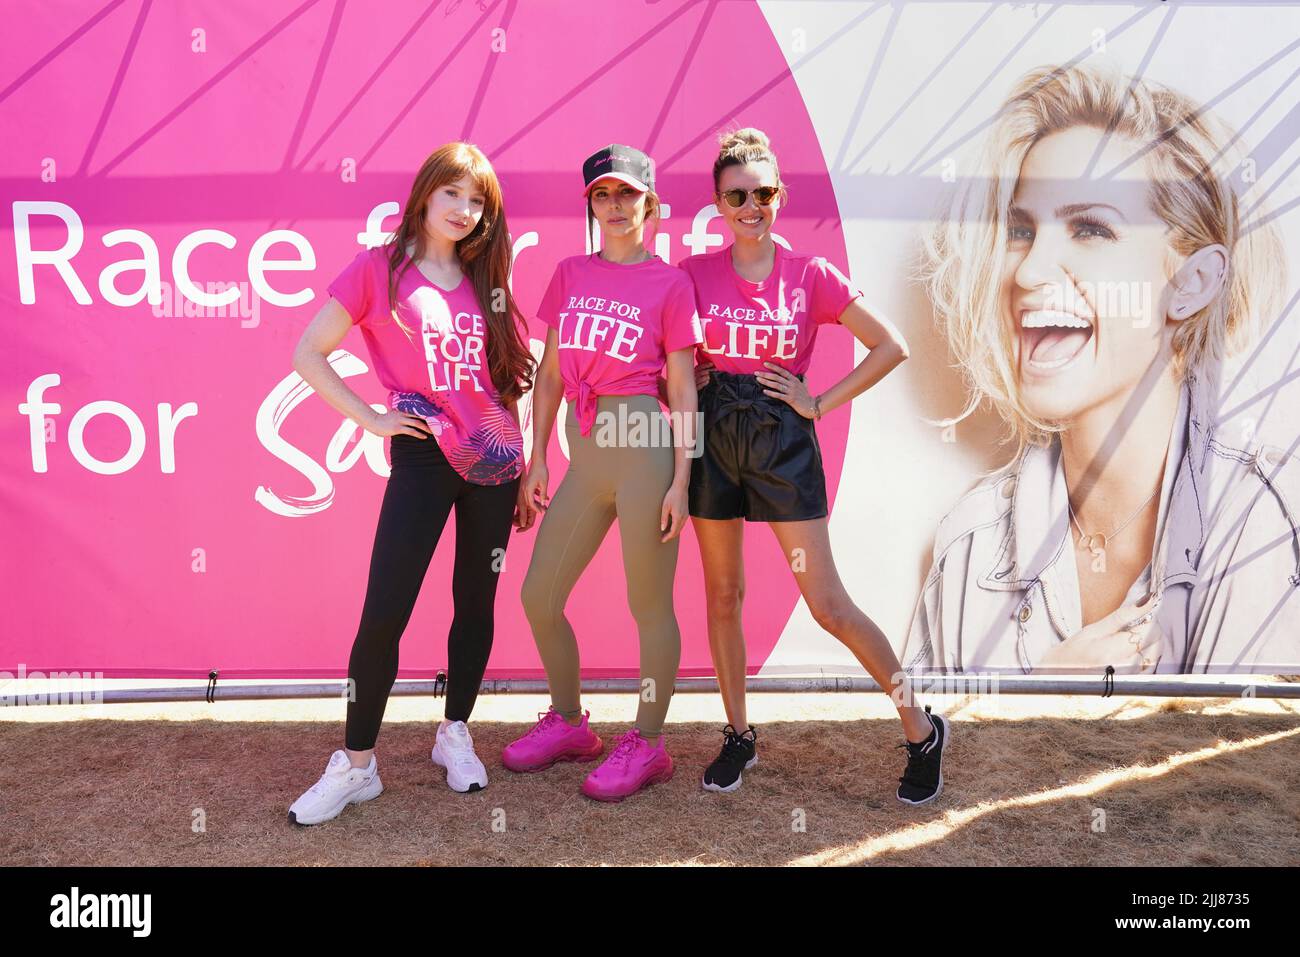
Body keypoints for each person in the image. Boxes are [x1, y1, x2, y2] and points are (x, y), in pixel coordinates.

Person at [904, 62, 1298, 675]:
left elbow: (1242, 770)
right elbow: (926, 766)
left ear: (1192, 282)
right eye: (1021, 229)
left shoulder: (1268, 520)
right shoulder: (971, 542)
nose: (1030, 272)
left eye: (1090, 228)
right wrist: (1045, 707)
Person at [679, 128, 949, 806]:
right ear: (718, 203)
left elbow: (893, 344)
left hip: (782, 445)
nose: (750, 205)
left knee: (828, 603)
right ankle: (739, 734)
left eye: (763, 192)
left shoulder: (811, 275)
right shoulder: (693, 275)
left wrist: (819, 400)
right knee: (722, 597)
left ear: (779, 197)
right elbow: (671, 358)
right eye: (737, 194)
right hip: (715, 440)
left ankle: (920, 729)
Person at [288, 142, 534, 825]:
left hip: (494, 464)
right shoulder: (378, 270)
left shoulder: (489, 280)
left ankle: (454, 733)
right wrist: (371, 416)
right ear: (425, 194)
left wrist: (525, 465)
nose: (463, 210)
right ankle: (357, 765)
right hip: (424, 456)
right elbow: (308, 351)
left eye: (477, 200)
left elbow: (509, 382)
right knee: (385, 610)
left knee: (475, 601)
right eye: (453, 193)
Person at [503, 144, 703, 802]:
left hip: (645, 446)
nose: (615, 206)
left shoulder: (670, 284)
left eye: (626, 194)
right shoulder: (570, 272)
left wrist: (682, 479)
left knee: (648, 605)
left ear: (649, 201)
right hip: (586, 454)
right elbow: (554, 373)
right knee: (538, 595)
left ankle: (647, 742)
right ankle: (569, 721)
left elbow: (681, 389)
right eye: (602, 195)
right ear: (590, 203)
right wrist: (536, 457)